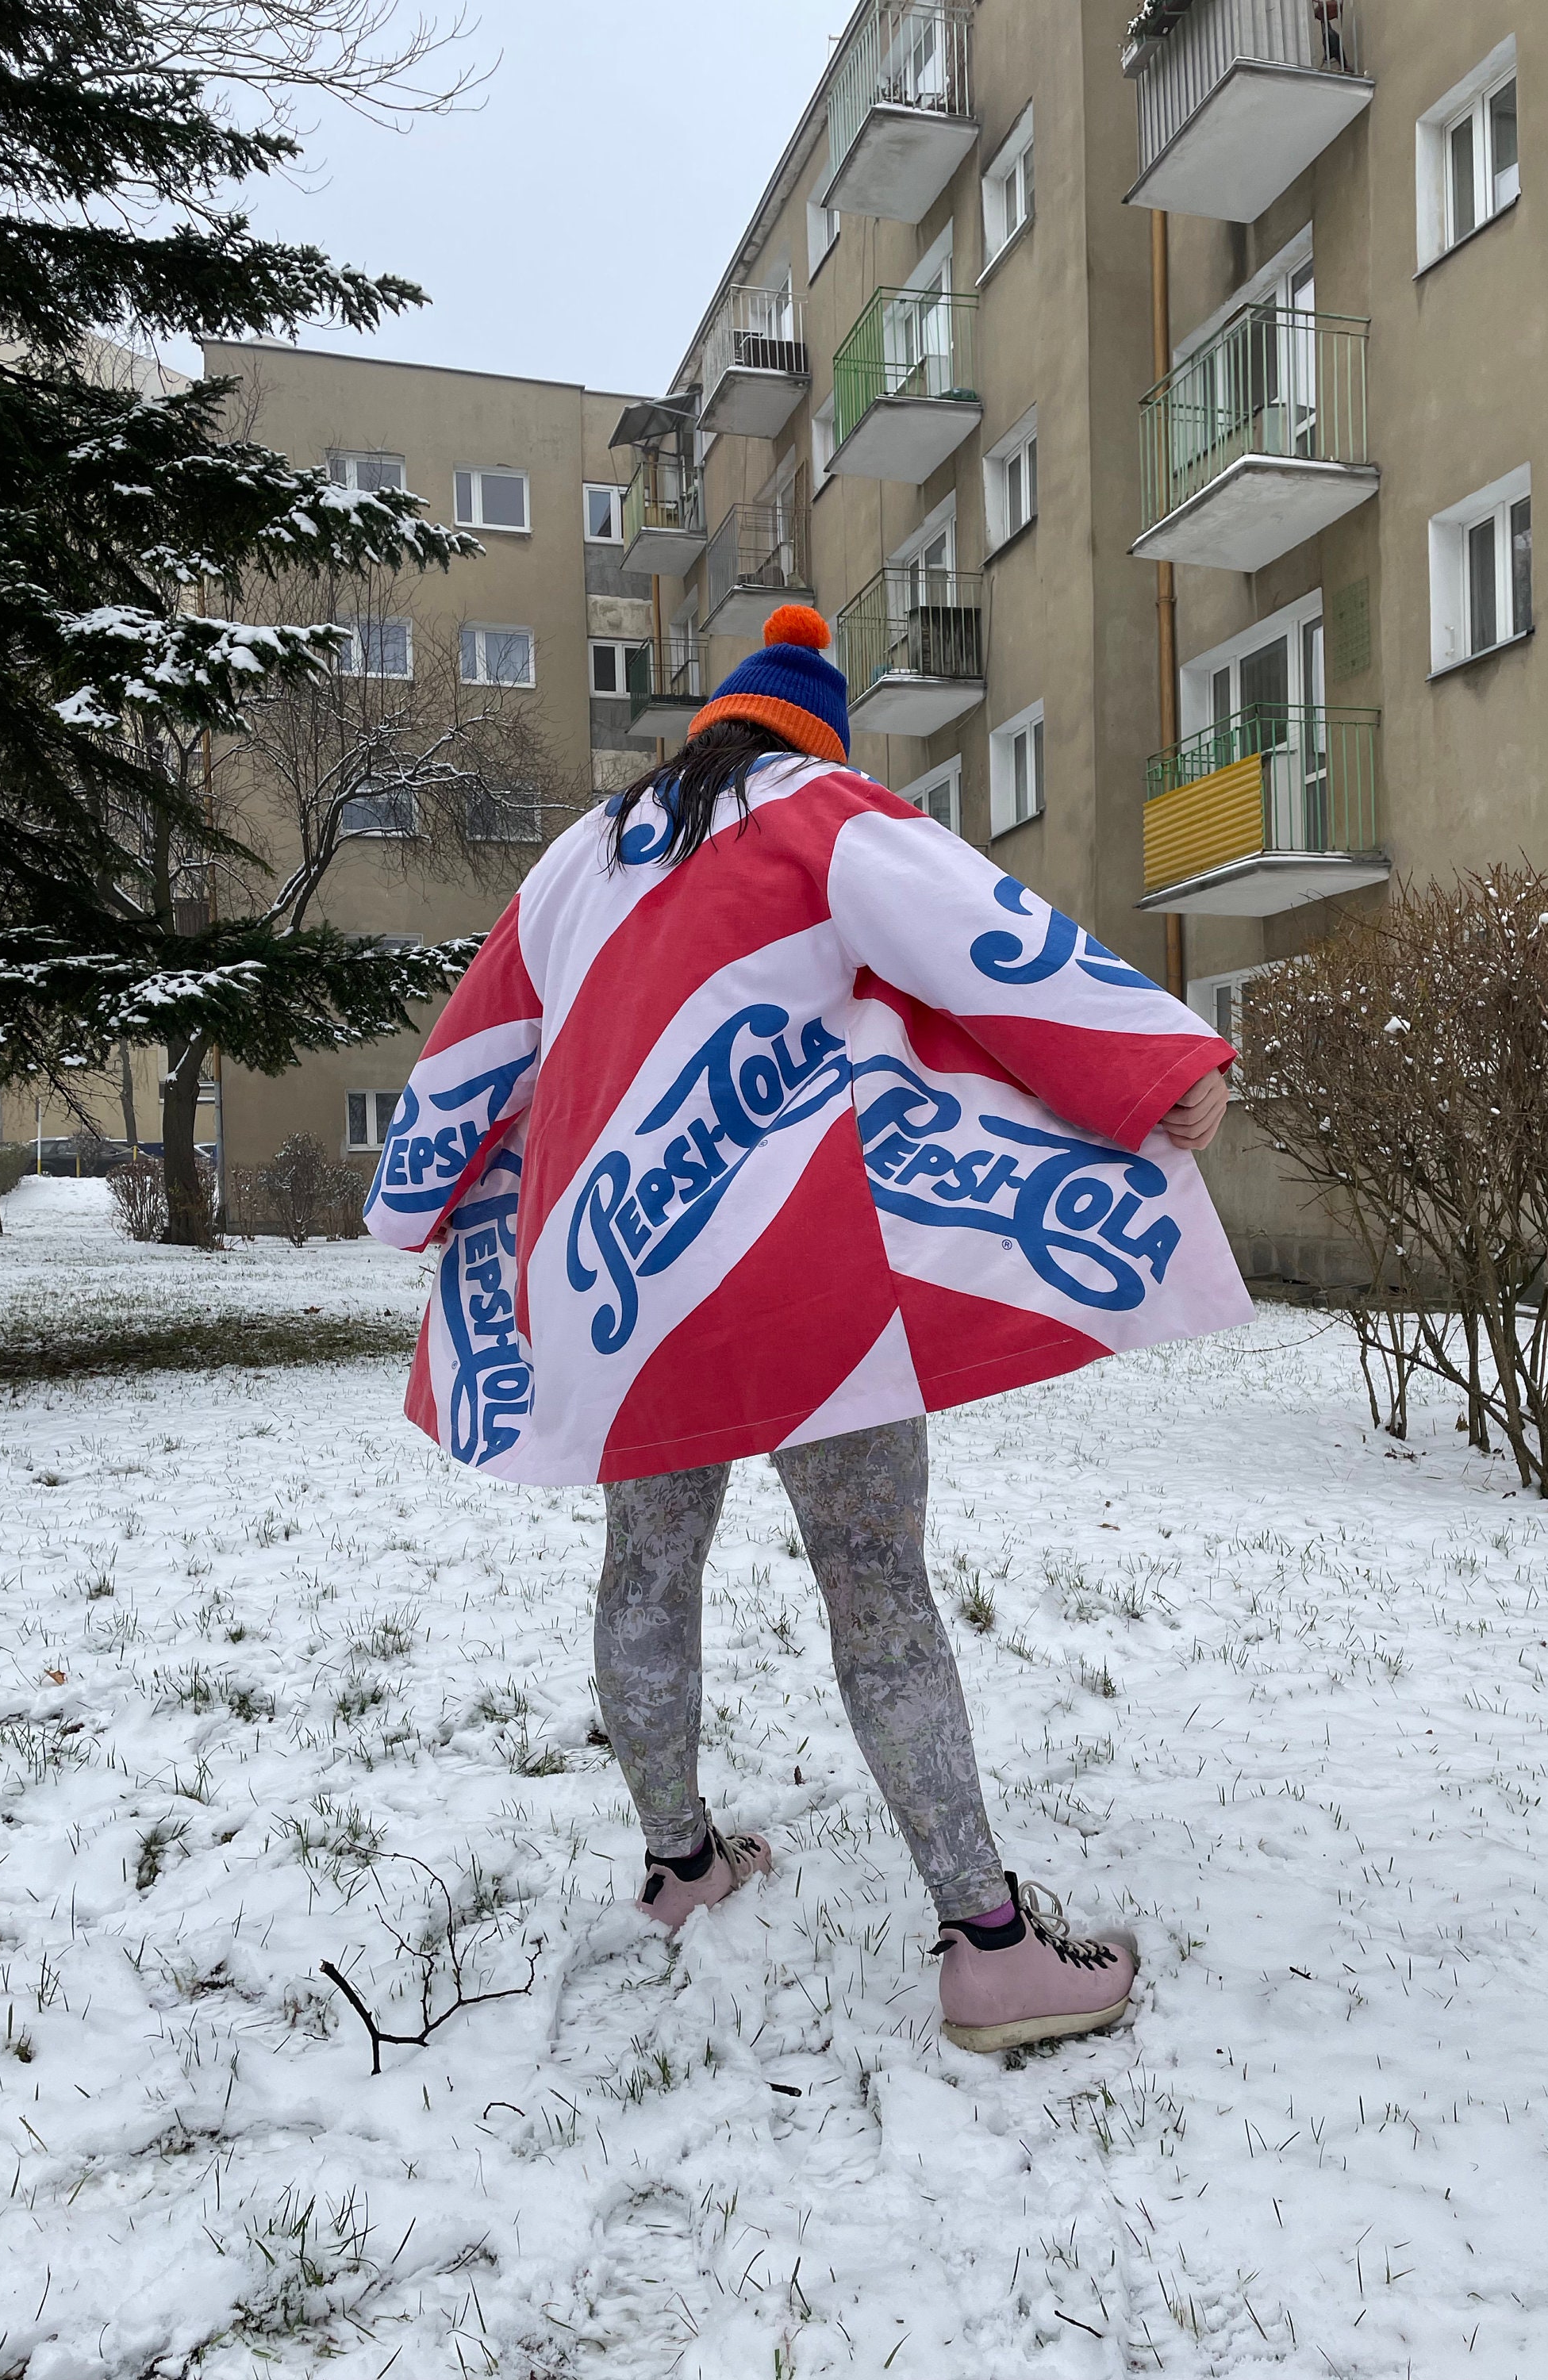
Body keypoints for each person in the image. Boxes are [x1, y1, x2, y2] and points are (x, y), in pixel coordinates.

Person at [364, 607, 1246, 2052]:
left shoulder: (577, 859)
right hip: (800, 1284)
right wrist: (1159, 1069)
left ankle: (679, 1866)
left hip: (621, 1283)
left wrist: (414, 1207)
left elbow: (471, 1051)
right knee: (873, 1583)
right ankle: (990, 1948)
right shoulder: (820, 811)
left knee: (646, 1564)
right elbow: (987, 943)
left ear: (712, 728)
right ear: (811, 736)